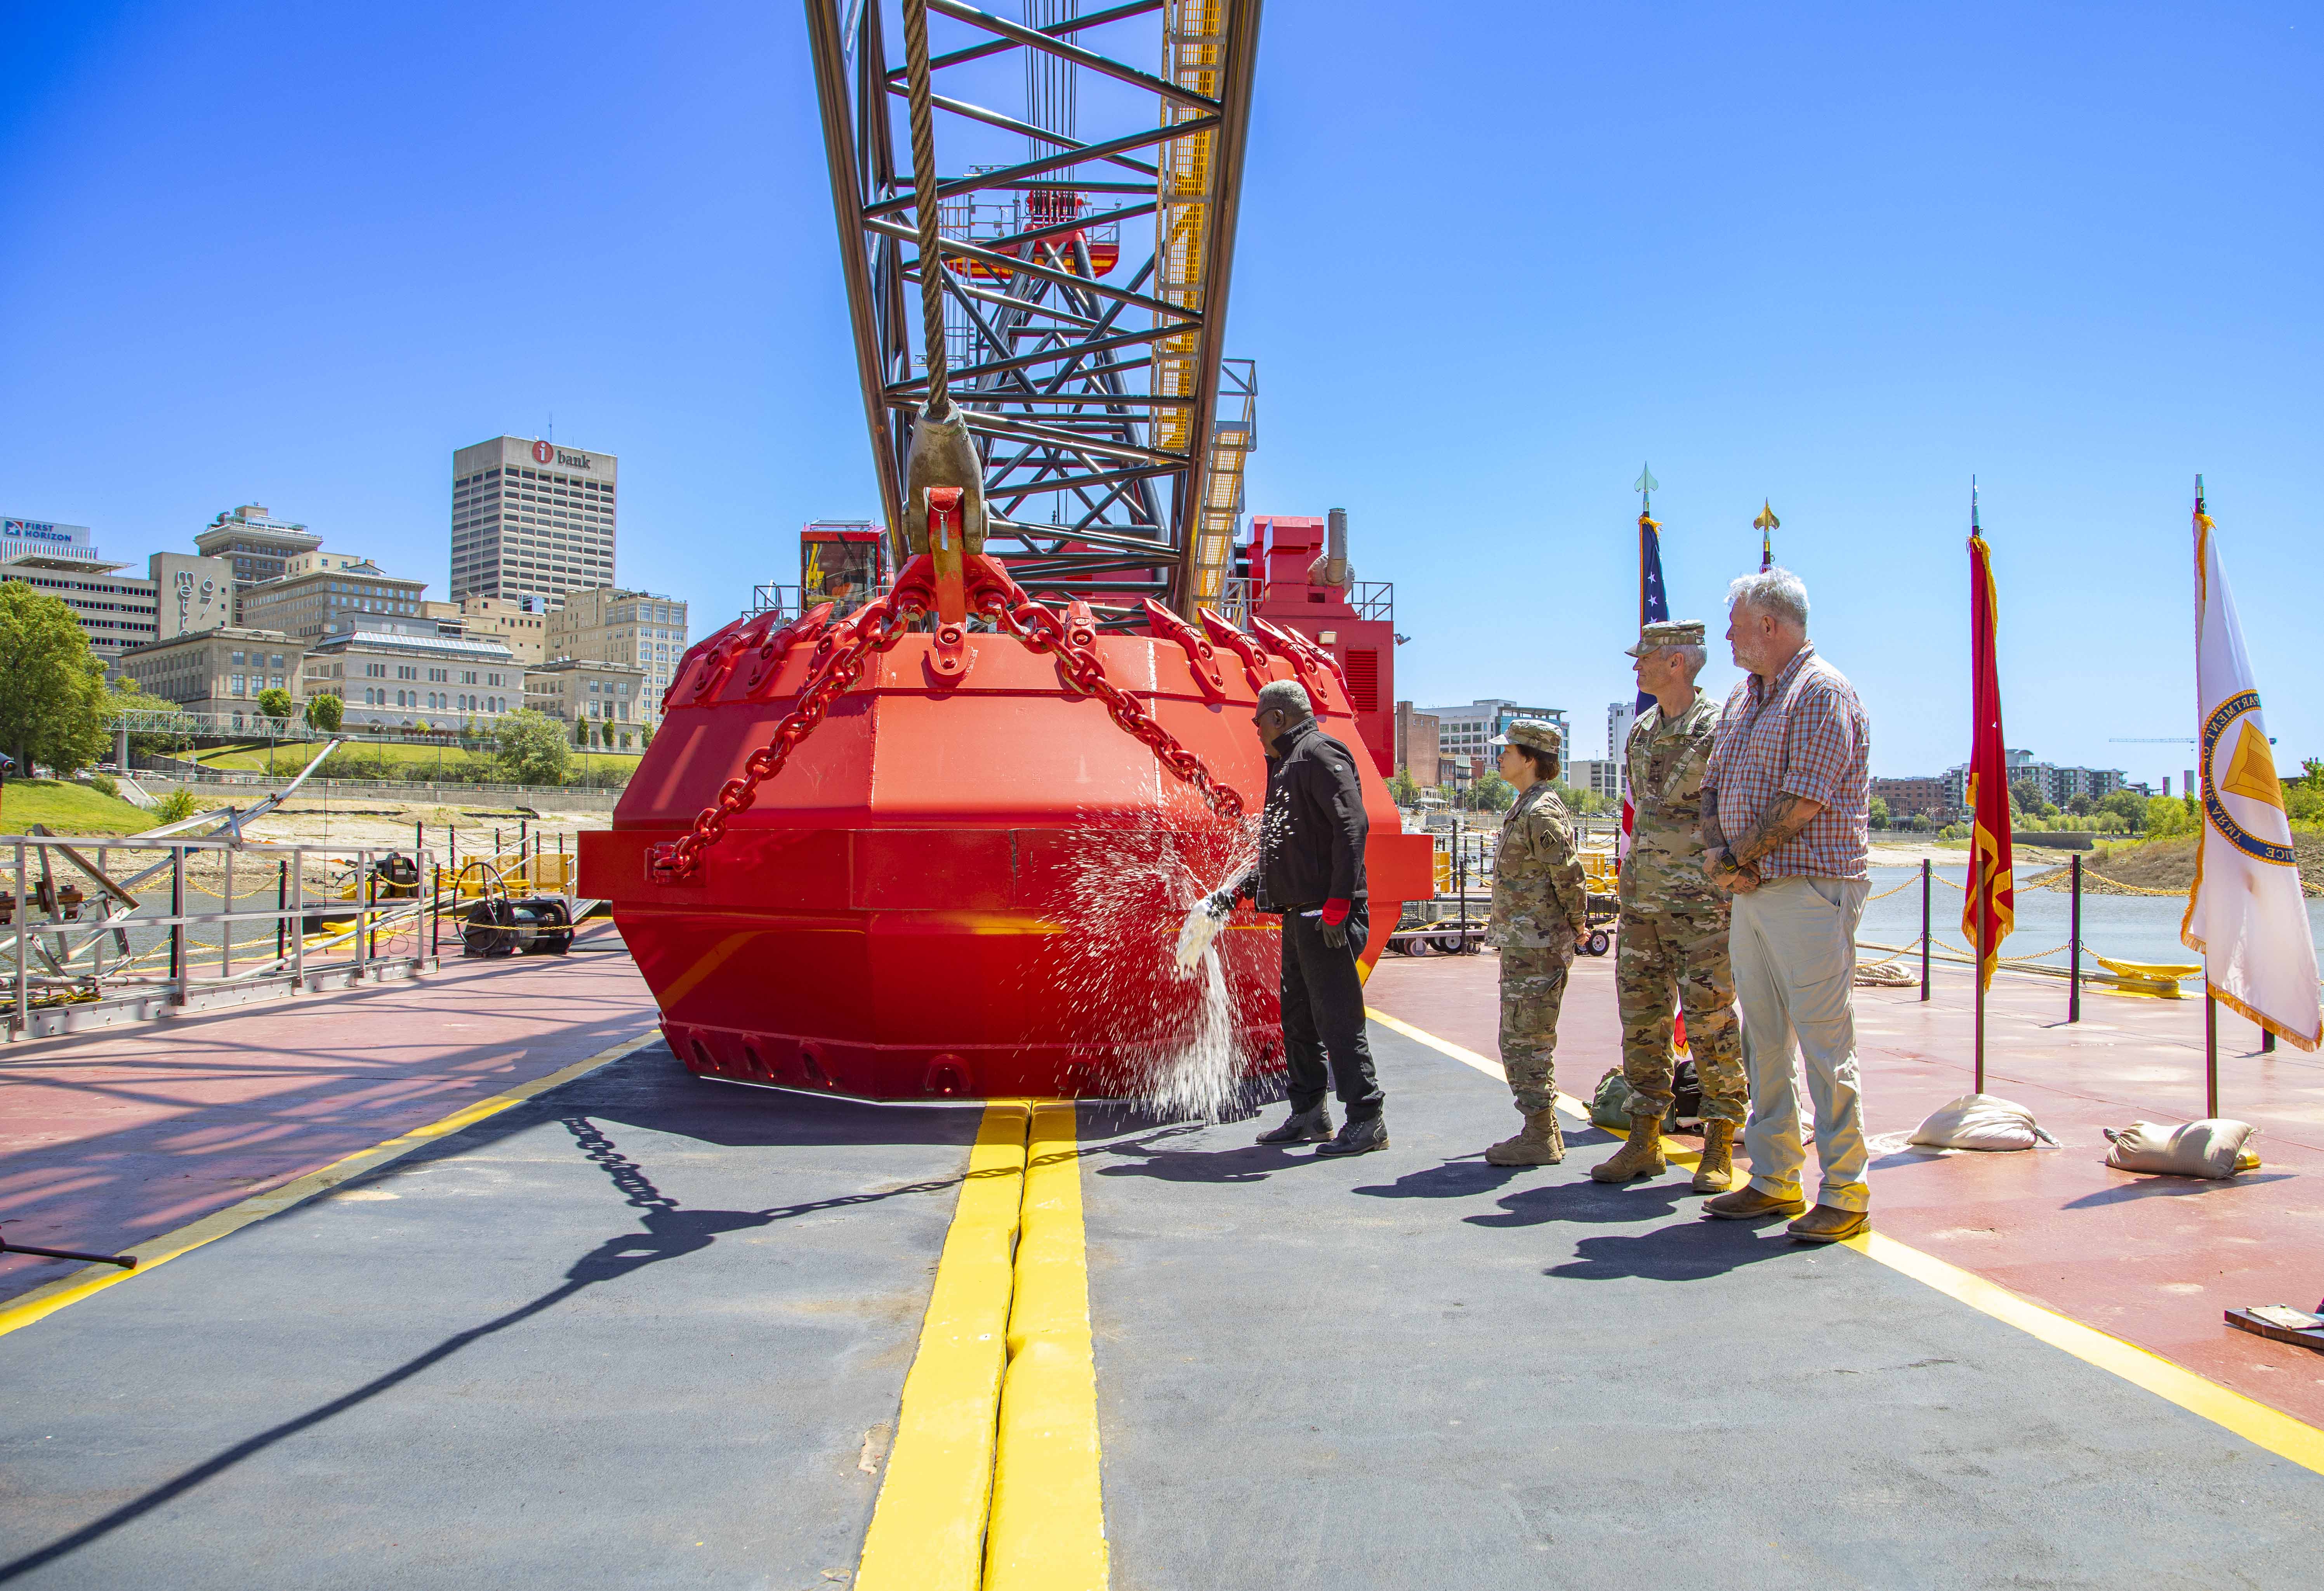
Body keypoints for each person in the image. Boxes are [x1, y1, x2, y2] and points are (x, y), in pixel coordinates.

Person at [1698, 567, 1873, 1242]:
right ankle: (1774, 1177)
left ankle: (1846, 1189)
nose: (1728, 638)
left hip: (1808, 888)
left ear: (1768, 625)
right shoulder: (1744, 698)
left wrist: (1734, 859)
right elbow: (1712, 786)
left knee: (1826, 1043)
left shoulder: (1821, 691)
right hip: (1754, 890)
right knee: (1763, 1039)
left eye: (1736, 626)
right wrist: (1722, 855)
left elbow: (1804, 799)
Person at [1593, 621, 1748, 1192]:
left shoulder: (1719, 727)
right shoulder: (1640, 731)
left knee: (1710, 1023)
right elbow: (1641, 813)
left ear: (1677, 662)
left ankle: (1719, 1143)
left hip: (1701, 907)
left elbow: (1733, 808)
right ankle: (1644, 1141)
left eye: (1646, 658)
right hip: (1642, 905)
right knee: (1641, 1022)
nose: (1637, 667)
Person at [1222, 680, 1388, 1157]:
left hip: (1324, 914)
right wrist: (1235, 892)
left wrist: (1337, 906)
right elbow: (1286, 851)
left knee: (1338, 1019)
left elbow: (1352, 826)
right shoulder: (1288, 762)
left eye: (1258, 721)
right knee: (1298, 1019)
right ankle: (1310, 1113)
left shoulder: (1318, 753)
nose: (1256, 730)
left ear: (1277, 717)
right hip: (1302, 915)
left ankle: (1367, 1119)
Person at [1479, 720, 1591, 1166]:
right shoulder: (1527, 806)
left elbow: (1569, 875)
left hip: (1537, 945)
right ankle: (1543, 1130)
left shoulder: (1540, 811)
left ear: (1529, 759)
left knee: (1525, 1040)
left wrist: (1578, 924)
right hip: (1527, 942)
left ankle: (1540, 1135)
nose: (1500, 757)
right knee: (1522, 1037)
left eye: (1508, 751)